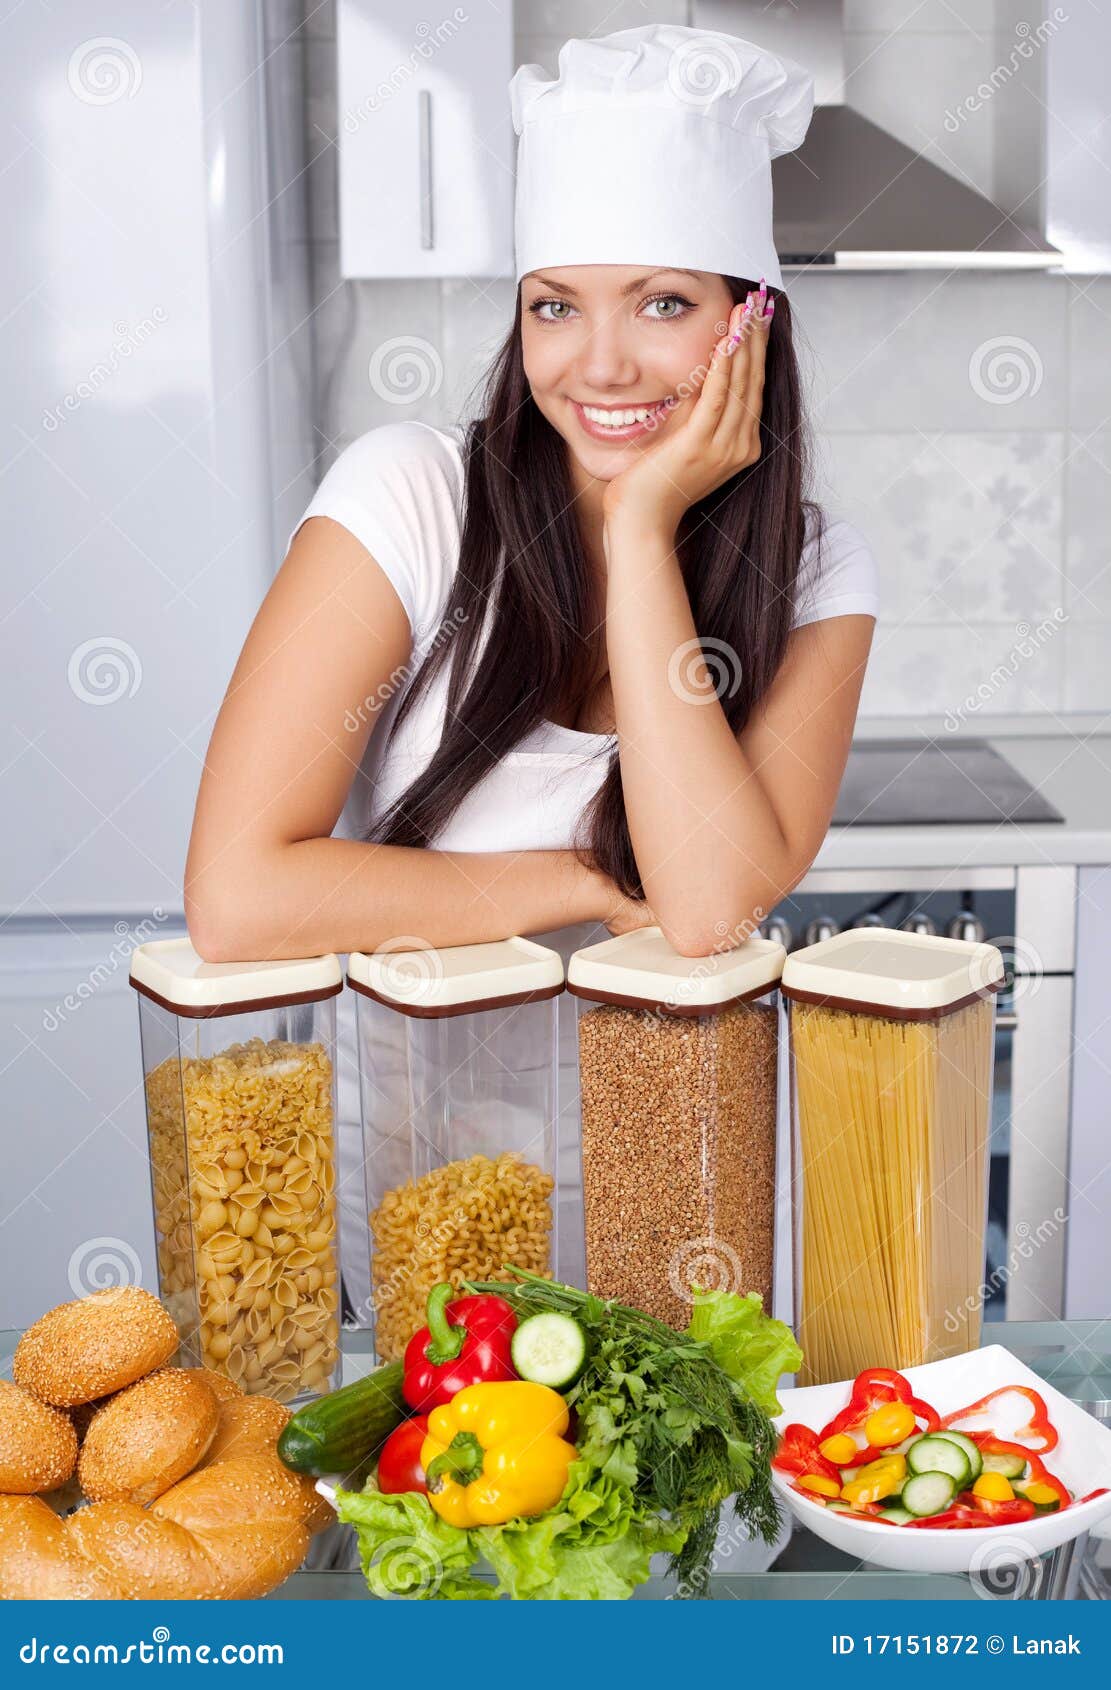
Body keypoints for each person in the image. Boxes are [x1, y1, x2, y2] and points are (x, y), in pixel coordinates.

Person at [184, 24, 878, 1326]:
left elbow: (713, 901)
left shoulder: (819, 569)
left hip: (690, 1225)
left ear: (752, 321)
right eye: (555, 305)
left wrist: (641, 532)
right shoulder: (408, 500)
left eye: (663, 304)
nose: (598, 364)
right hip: (418, 1222)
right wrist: (594, 885)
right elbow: (237, 895)